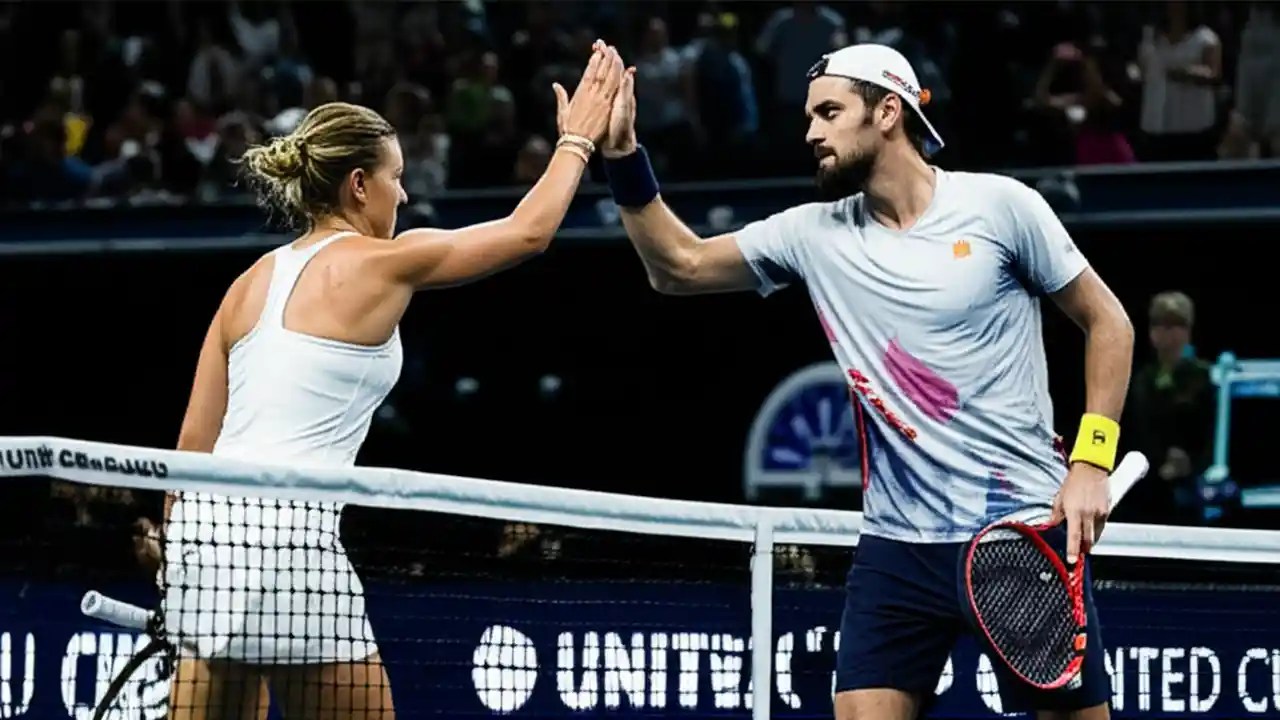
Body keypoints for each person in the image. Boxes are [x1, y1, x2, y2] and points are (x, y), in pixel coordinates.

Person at [599, 43, 1134, 720]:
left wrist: (1091, 461)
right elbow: (677, 267)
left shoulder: (1002, 208)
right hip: (896, 546)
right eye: (809, 116)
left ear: (887, 112)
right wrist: (622, 157)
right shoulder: (814, 234)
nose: (811, 132)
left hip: (1019, 529)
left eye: (828, 112)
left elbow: (1109, 323)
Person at [136, 42, 625, 720]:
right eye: (396, 177)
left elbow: (192, 444)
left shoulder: (246, 286)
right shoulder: (381, 260)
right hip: (288, 542)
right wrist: (576, 141)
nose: (406, 192)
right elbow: (527, 234)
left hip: (204, 540)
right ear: (359, 185)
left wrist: (175, 568)